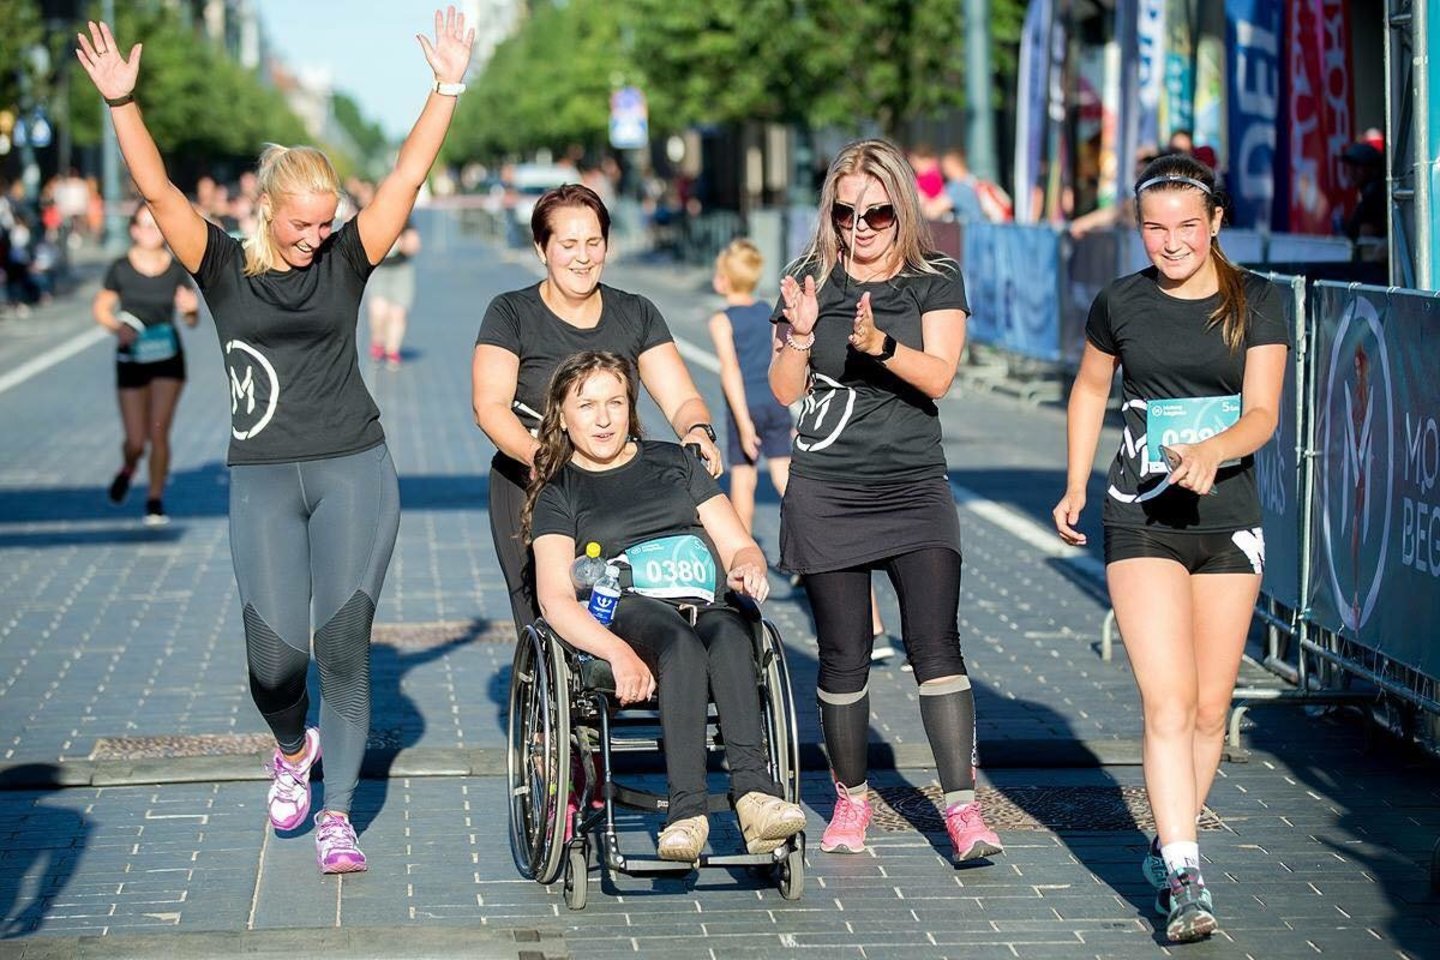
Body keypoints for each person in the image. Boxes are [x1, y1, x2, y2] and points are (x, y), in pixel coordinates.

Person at [75, 8, 474, 874]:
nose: (316, 235)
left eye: (326, 221)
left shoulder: (345, 258)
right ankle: (293, 748)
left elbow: (407, 175)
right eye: (301, 223)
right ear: (267, 212)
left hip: (354, 468)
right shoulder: (220, 264)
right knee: (272, 666)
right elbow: (157, 193)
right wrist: (121, 106)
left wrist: (445, 86)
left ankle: (338, 817)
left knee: (341, 649)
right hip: (261, 475)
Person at [1052, 153, 1290, 943]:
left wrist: (1215, 448)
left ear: (1216, 222)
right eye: (1155, 227)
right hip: (1141, 515)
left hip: (1228, 518)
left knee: (1211, 710)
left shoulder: (1258, 299)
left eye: (1188, 225)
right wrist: (1077, 482)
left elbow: (1263, 414)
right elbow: (1090, 387)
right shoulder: (1120, 301)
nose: (1172, 241)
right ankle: (1186, 872)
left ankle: (1169, 835)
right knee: (1167, 700)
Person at [770, 138, 1002, 864]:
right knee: (844, 656)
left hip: (912, 486)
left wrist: (878, 346)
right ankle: (851, 800)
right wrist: (802, 337)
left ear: (901, 207)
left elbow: (939, 377)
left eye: (874, 213)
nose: (859, 228)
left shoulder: (936, 278)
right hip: (827, 490)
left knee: (936, 644)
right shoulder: (809, 277)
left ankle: (962, 812)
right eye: (845, 213)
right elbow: (784, 394)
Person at [526, 352, 806, 861]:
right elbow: (554, 599)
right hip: (629, 607)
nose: (604, 418)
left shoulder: (675, 463)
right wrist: (616, 653)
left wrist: (748, 566)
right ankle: (687, 812)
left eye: (615, 403)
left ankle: (755, 794)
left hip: (707, 599)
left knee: (730, 637)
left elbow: (737, 544)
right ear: (563, 417)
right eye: (586, 406)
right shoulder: (560, 491)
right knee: (680, 644)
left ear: (631, 409)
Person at [472, 183, 723, 635]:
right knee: (547, 620)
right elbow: (489, 407)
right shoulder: (511, 313)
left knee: (640, 603)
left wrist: (698, 429)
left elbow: (682, 398)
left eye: (594, 242)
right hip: (534, 480)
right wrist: (545, 460)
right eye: (568, 245)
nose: (583, 257)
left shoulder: (636, 313)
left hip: (619, 481)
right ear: (541, 248)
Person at [706, 239, 896, 661]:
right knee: (791, 483)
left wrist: (740, 422)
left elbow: (730, 374)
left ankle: (737, 589)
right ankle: (875, 624)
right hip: (779, 404)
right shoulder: (767, 311)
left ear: (725, 278)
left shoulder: (721, 320)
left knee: (742, 496)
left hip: (748, 408)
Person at [93, 205, 200, 525]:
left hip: (167, 355)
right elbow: (101, 308)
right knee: (137, 440)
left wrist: (191, 310)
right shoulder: (121, 268)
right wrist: (117, 328)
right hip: (132, 356)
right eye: (145, 226)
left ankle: (155, 499)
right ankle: (128, 467)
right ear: (134, 231)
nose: (152, 231)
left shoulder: (176, 269)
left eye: (157, 226)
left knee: (159, 431)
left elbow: (190, 319)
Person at [367, 218, 421, 368]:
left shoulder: (405, 221)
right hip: (380, 269)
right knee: (379, 311)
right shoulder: (376, 217)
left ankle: (392, 350)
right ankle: (378, 342)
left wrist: (405, 243)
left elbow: (415, 244)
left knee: (398, 313)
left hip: (401, 270)